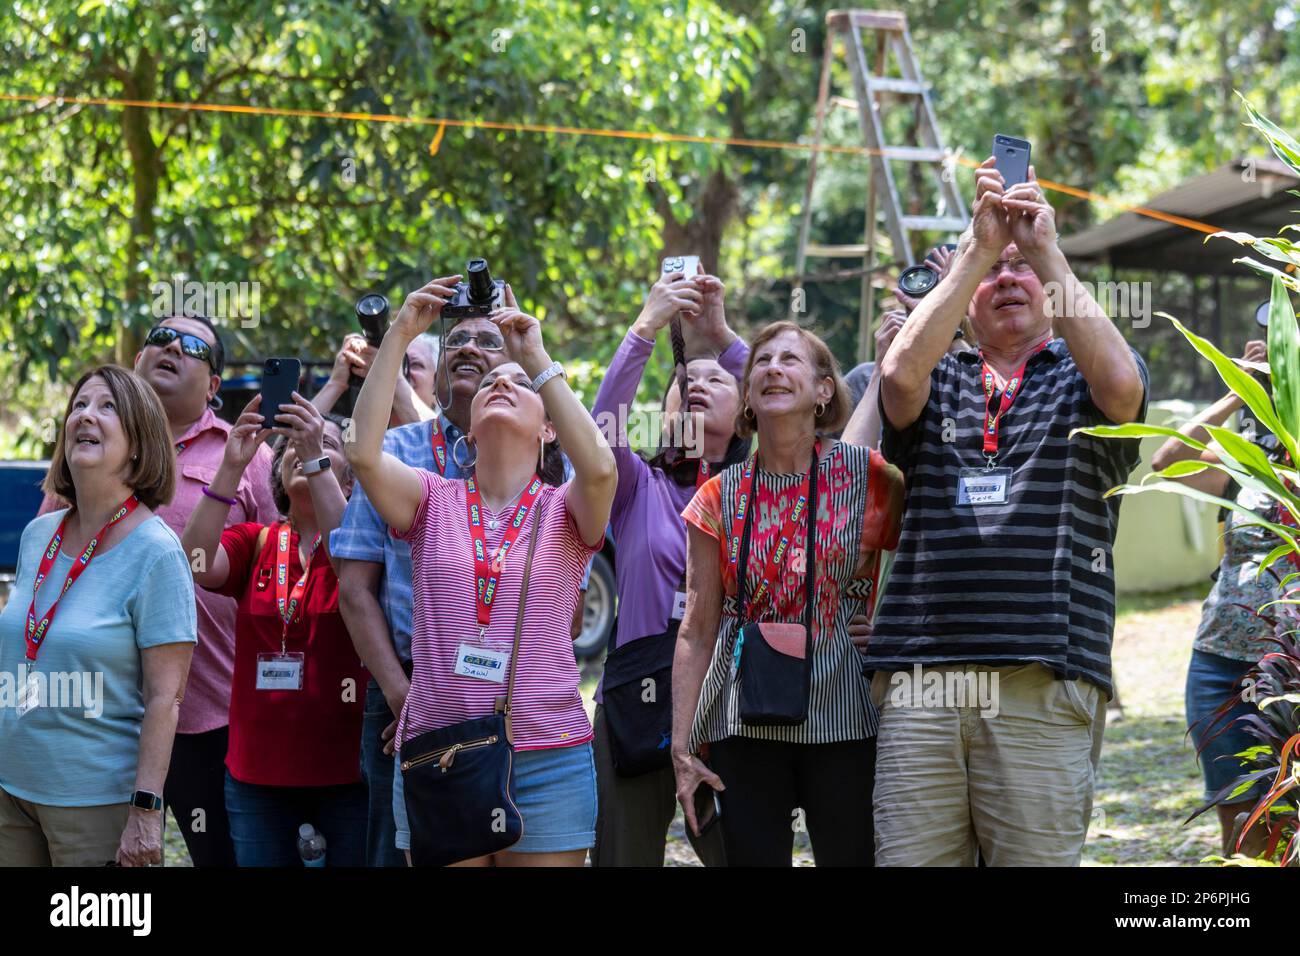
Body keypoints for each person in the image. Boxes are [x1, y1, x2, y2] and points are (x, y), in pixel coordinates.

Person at [867, 158, 1149, 866]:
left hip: (1042, 680)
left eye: (1025, 271)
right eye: (994, 274)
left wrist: (1042, 244)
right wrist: (980, 245)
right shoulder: (940, 377)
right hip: (923, 682)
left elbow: (1121, 389)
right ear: (963, 299)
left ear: (1053, 291)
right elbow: (897, 377)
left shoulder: (1085, 376)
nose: (1007, 280)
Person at [345, 275, 616, 867]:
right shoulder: (431, 498)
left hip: (549, 755)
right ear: (466, 428)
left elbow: (598, 466)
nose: (499, 382)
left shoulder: (566, 508)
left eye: (518, 385)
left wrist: (534, 357)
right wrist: (400, 333)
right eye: (491, 380)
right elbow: (363, 453)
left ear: (549, 427)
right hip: (440, 750)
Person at [37, 314, 276, 867]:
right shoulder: (88, 448)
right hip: (100, 714)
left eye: (191, 346)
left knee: (223, 857)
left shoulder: (247, 455)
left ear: (214, 385)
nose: (171, 347)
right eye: (159, 338)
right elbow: (44, 567)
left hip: (209, 713)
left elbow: (278, 568)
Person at [671, 321, 904, 867]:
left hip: (845, 712)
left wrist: (888, 624)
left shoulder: (869, 477)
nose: (774, 368)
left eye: (791, 360)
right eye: (763, 361)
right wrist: (682, 748)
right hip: (743, 714)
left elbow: (917, 566)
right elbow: (697, 627)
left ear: (824, 390)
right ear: (749, 390)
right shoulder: (717, 495)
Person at [331, 308, 515, 867]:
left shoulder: (541, 458)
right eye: (456, 340)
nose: (468, 348)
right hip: (403, 692)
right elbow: (355, 589)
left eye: (488, 341)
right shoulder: (395, 451)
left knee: (505, 847)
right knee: (397, 853)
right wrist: (400, 696)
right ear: (434, 373)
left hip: (513, 697)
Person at [0, 366, 196, 866]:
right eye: (79, 405)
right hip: (11, 791)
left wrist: (147, 812)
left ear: (138, 443)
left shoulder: (157, 552)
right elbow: (26, 655)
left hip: (93, 803)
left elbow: (165, 698)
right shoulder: (36, 536)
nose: (86, 415)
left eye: (107, 406)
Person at [588, 268, 748, 867]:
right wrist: (648, 326)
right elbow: (602, 424)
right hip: (635, 697)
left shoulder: (762, 489)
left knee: (740, 854)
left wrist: (722, 335)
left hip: (730, 701)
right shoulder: (637, 484)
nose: (702, 382)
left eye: (721, 377)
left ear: (749, 409)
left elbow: (794, 394)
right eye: (690, 377)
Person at [182, 391, 366, 867]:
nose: (304, 451)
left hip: (347, 775)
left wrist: (315, 455)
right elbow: (196, 564)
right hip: (257, 779)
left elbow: (352, 573)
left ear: (350, 474)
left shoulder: (363, 543)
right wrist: (230, 467)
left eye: (325, 443)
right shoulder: (258, 540)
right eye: (293, 447)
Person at [1151, 340, 1273, 857]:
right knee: (1241, 819)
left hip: (1287, 666)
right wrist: (1237, 393)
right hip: (1220, 659)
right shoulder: (1247, 449)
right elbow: (1166, 461)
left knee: (1285, 810)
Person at [310, 332, 435, 425]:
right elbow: (295, 443)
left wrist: (394, 379)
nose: (399, 370)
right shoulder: (355, 435)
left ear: (438, 383)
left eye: (414, 364)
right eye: (398, 362)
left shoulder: (452, 434)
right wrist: (336, 383)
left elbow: (444, 447)